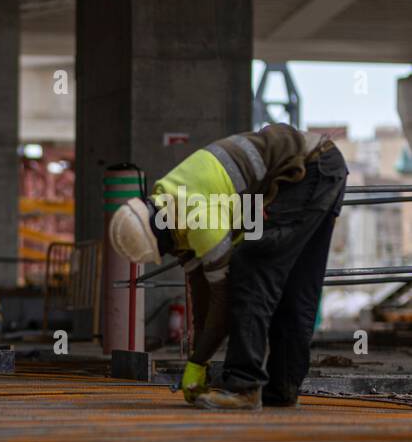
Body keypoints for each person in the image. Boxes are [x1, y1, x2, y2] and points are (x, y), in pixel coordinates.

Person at [108, 123, 347, 411]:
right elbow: (200, 291)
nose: (170, 254)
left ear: (161, 237)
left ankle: (244, 387)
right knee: (296, 287)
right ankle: (282, 389)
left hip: (308, 171)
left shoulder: (198, 216)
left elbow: (222, 300)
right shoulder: (170, 200)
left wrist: (198, 363)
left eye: (163, 250)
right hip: (321, 170)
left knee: (249, 266)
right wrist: (199, 358)